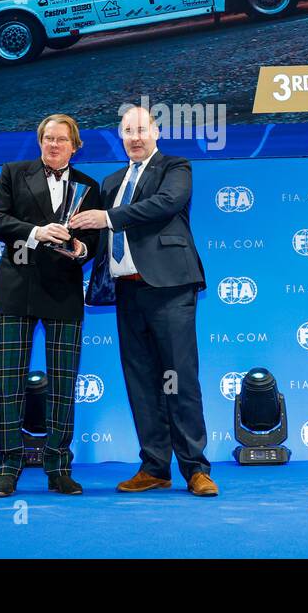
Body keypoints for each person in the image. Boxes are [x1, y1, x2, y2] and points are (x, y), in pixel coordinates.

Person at [69, 105, 217, 497]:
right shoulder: (112, 181)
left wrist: (108, 218)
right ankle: (155, 467)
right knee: (142, 383)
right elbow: (101, 239)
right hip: (127, 291)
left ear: (156, 132)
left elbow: (165, 204)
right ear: (120, 137)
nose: (135, 137)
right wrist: (79, 248)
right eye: (127, 131)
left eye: (141, 129)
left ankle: (196, 470)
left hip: (169, 287)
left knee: (179, 379)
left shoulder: (175, 167)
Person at [0, 114, 101, 497]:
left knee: (64, 385)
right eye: (47, 139)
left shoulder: (89, 186)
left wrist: (80, 248)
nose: (53, 145)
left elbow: (94, 244)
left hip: (64, 292)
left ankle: (59, 468)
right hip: (17, 288)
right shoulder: (13, 173)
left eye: (61, 140)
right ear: (40, 142)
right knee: (7, 383)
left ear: (74, 146)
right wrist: (36, 232)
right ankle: (6, 467)